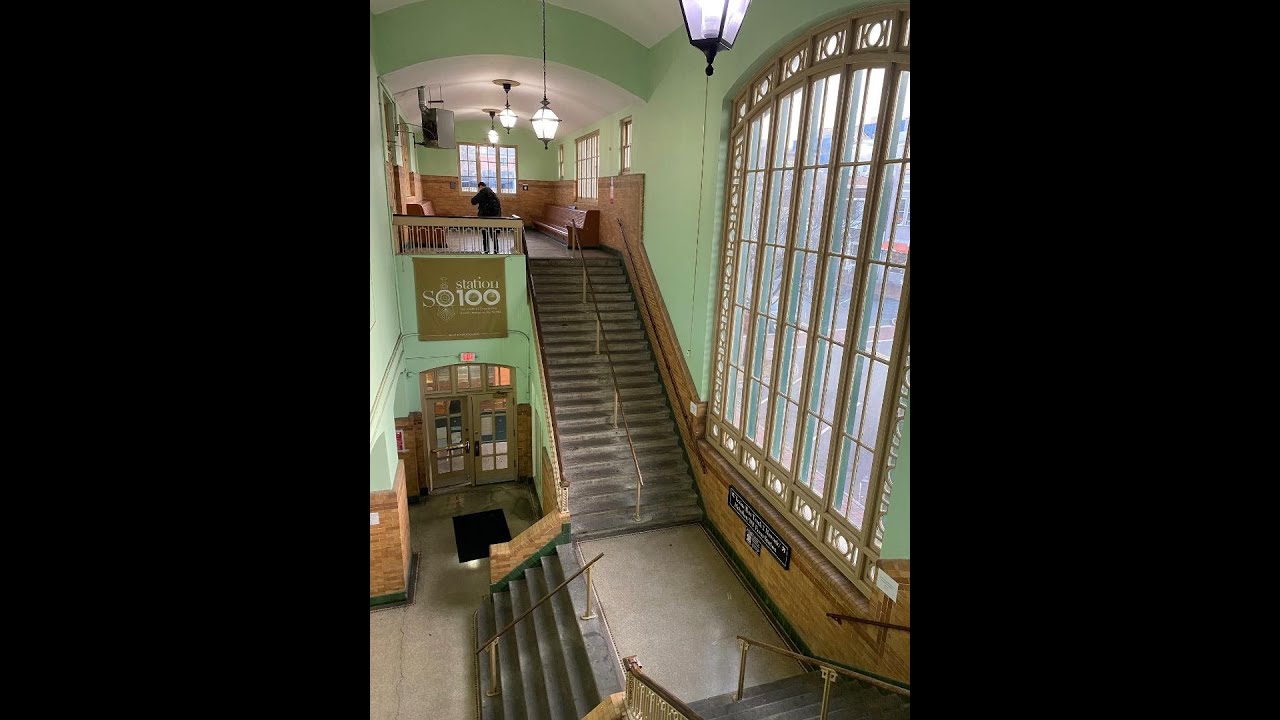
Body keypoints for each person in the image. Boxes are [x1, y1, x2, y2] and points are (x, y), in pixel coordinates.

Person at [470, 181, 503, 254]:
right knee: (494, 236)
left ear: (480, 186)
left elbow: (473, 201)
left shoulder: (482, 192)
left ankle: (486, 250)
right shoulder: (492, 193)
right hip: (494, 219)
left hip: (484, 218)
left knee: (485, 235)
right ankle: (496, 250)